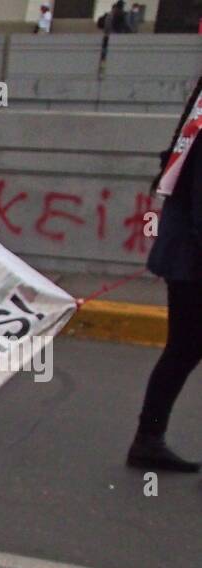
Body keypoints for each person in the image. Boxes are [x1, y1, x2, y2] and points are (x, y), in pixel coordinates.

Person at [127, 78, 202, 472]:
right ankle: (147, 440)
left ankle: (148, 439)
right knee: (183, 349)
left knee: (183, 349)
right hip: (192, 258)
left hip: (186, 255)